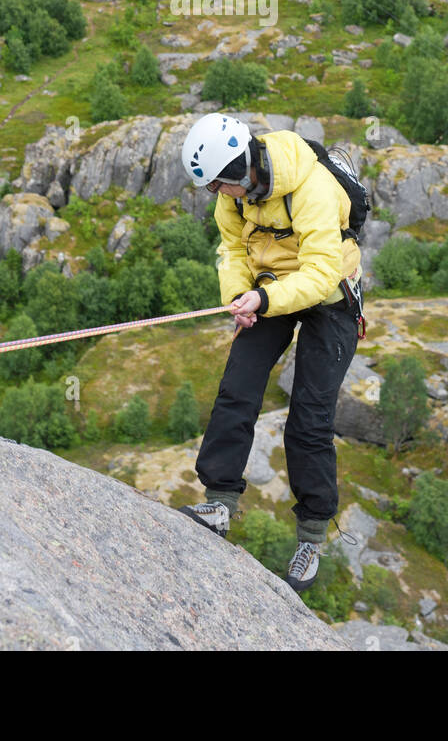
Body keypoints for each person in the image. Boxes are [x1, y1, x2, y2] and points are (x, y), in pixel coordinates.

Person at [177, 112, 362, 593]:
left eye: (221, 184)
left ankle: (312, 535)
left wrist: (264, 299)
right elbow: (232, 252)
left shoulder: (311, 187)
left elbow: (321, 273)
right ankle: (218, 501)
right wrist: (239, 298)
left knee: (310, 415)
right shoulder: (232, 200)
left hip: (330, 295)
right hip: (271, 289)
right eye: (212, 187)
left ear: (243, 169)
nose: (219, 194)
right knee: (238, 387)